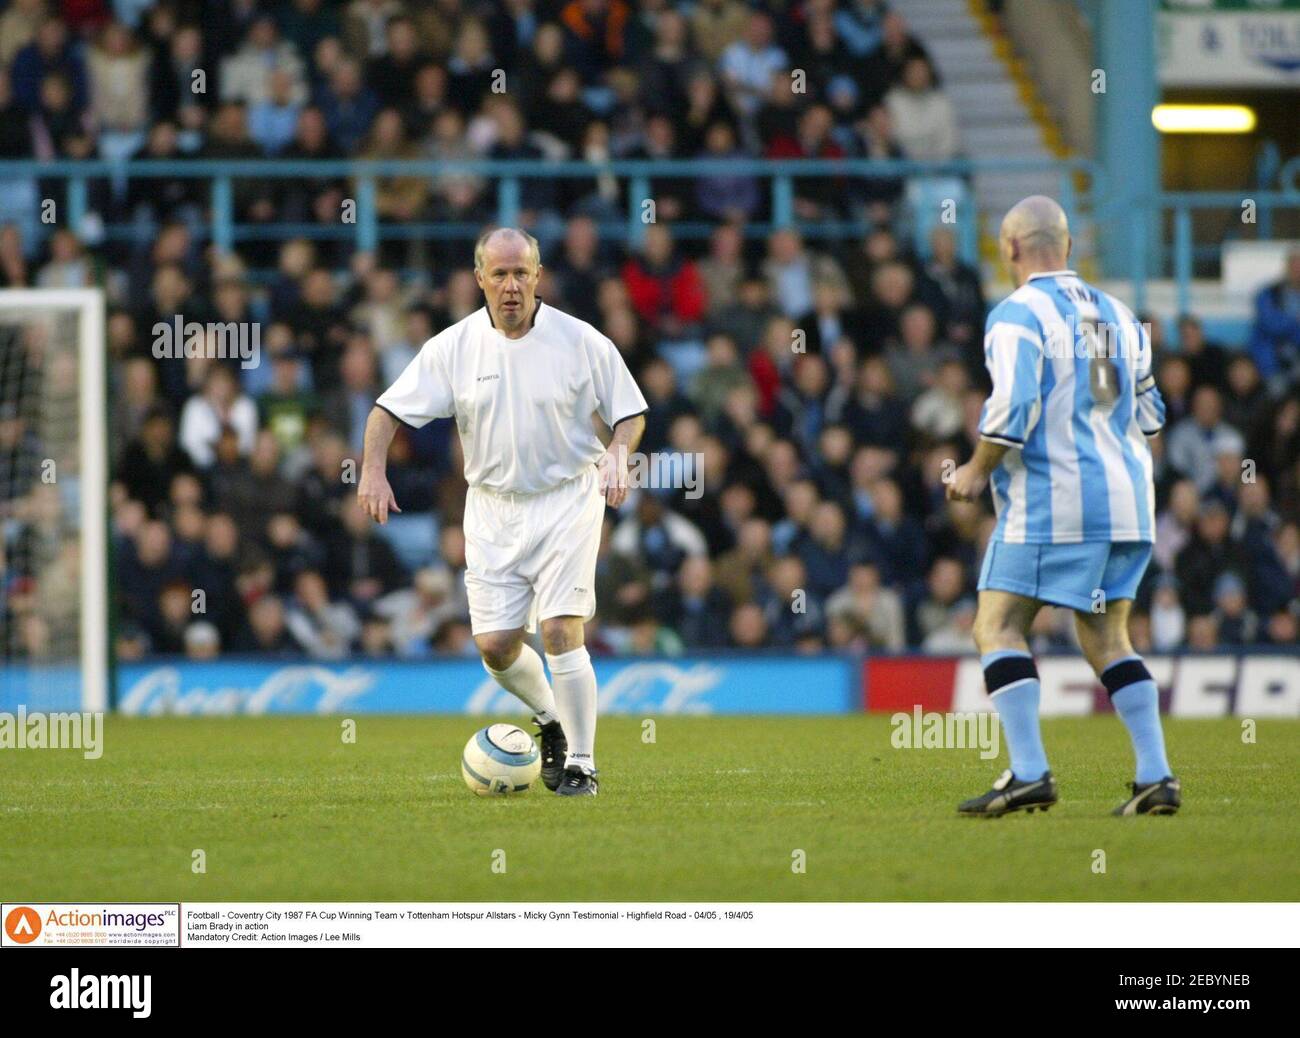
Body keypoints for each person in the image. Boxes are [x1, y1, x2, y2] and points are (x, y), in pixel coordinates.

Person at [358, 228, 648, 797]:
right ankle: (551, 719)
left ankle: (582, 766)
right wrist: (371, 469)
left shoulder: (580, 341)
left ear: (539, 276)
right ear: (479, 279)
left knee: (562, 628)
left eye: (522, 273)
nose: (511, 286)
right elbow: (385, 412)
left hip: (567, 498)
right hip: (491, 508)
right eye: (500, 274)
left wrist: (617, 454)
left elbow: (631, 412)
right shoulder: (454, 347)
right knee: (495, 646)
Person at [946, 195, 1179, 818]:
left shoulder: (1018, 314)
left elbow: (1014, 406)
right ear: (1068, 246)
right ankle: (1156, 776)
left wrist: (974, 469)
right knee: (1105, 634)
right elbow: (1152, 416)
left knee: (996, 624)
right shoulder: (1118, 317)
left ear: (1011, 248)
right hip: (1129, 504)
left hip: (1058, 503)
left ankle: (1028, 772)